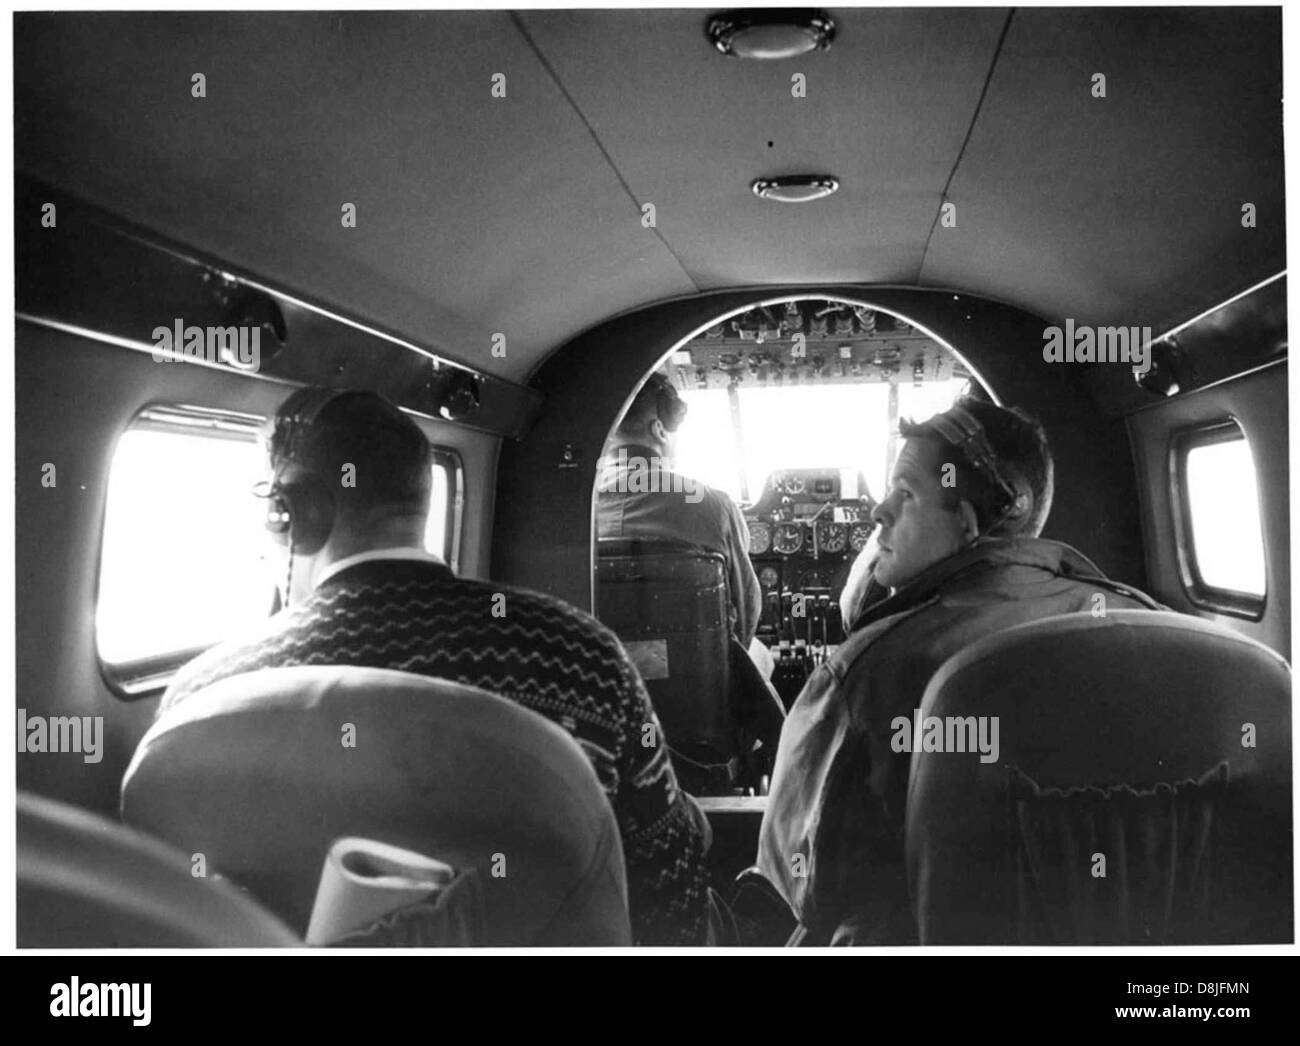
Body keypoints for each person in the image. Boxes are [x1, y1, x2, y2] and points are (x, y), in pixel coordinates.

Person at [159, 386, 711, 946]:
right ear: (421, 496)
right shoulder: (582, 658)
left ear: (289, 515)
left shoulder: (199, 697)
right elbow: (671, 891)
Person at [757, 396, 1163, 945]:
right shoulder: (1148, 620)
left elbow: (798, 880)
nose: (879, 512)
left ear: (968, 525)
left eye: (905, 493)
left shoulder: (868, 668)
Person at [596, 372, 762, 648]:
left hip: (600, 678)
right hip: (697, 682)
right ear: (660, 431)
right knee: (762, 653)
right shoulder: (710, 503)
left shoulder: (574, 506)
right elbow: (746, 614)